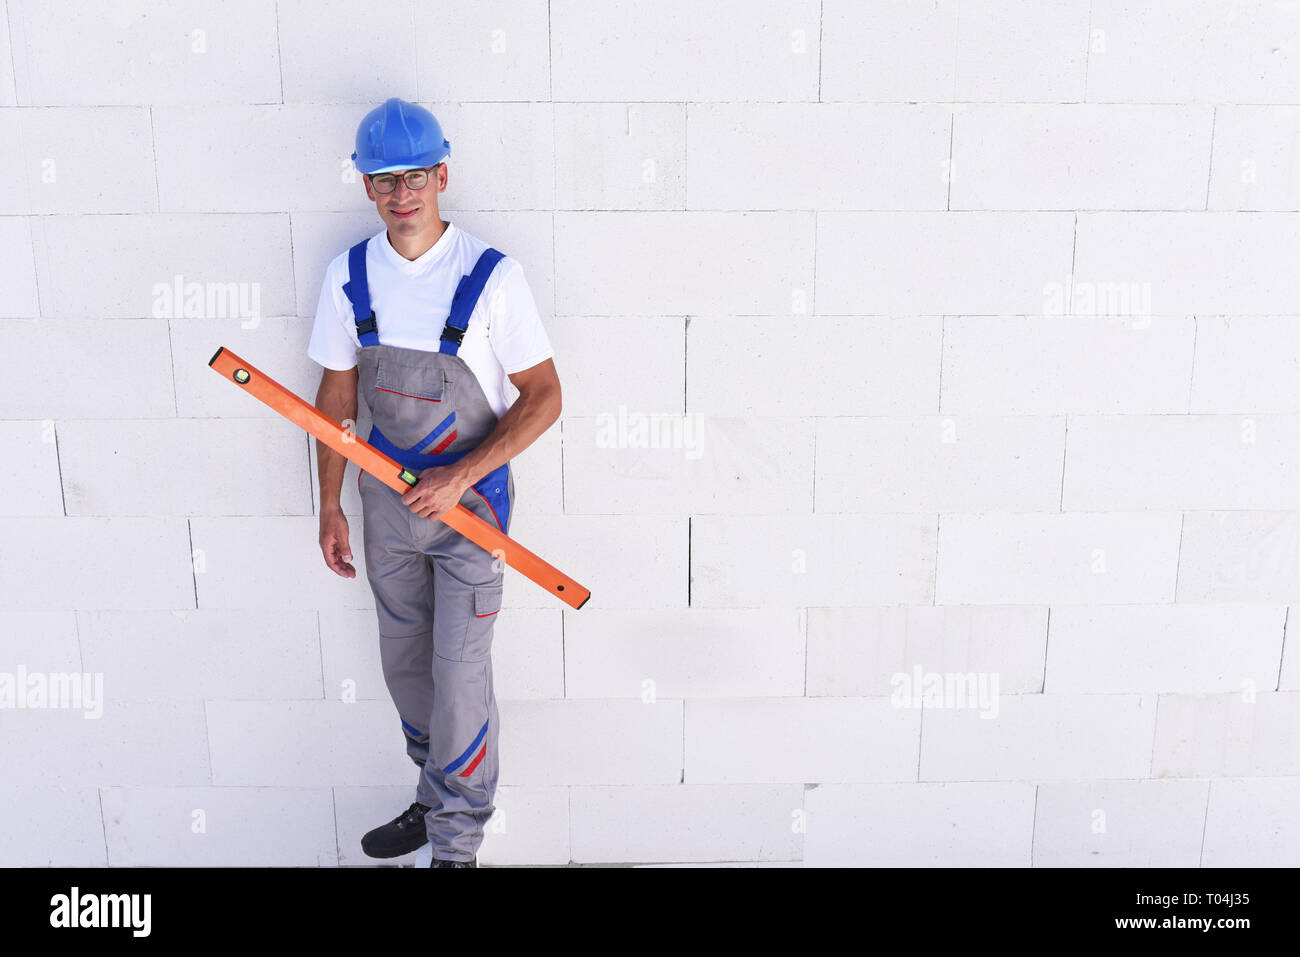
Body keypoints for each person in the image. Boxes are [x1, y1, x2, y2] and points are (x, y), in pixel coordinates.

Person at [307, 98, 562, 868]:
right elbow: (336, 399)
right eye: (384, 180)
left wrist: (460, 477)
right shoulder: (350, 275)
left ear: (442, 175)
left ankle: (456, 844)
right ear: (366, 188)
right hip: (384, 512)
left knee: (457, 676)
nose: (401, 193)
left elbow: (545, 396)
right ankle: (433, 792)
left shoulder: (491, 278)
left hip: (470, 515)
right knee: (405, 667)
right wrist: (329, 501)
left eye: (415, 175)